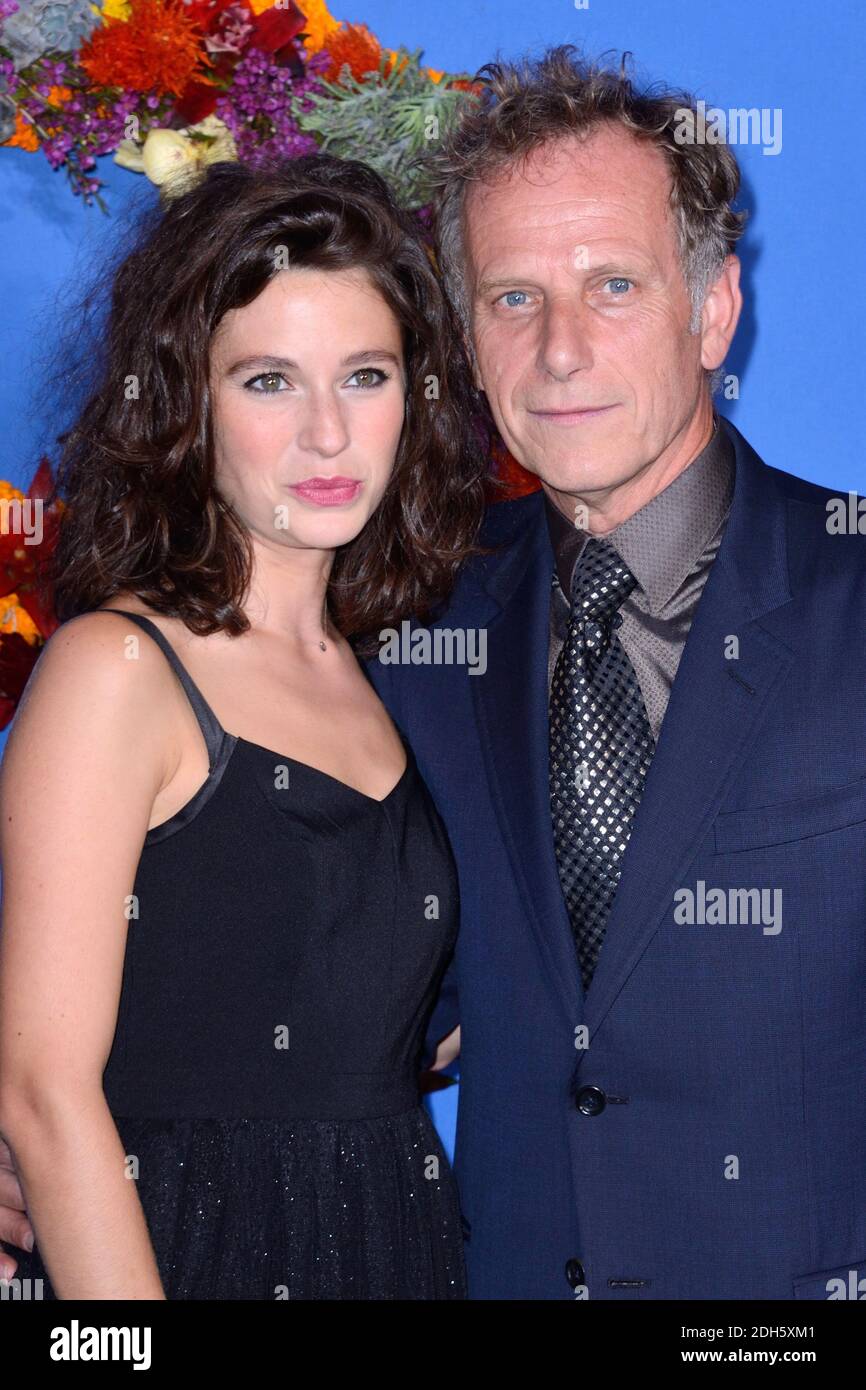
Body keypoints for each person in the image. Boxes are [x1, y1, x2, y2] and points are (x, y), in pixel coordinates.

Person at [0, 153, 485, 1299]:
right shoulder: (117, 668)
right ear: (186, 403)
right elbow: (40, 1090)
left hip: (393, 1247)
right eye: (268, 381)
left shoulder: (395, 679)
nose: (327, 434)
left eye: (363, 377)